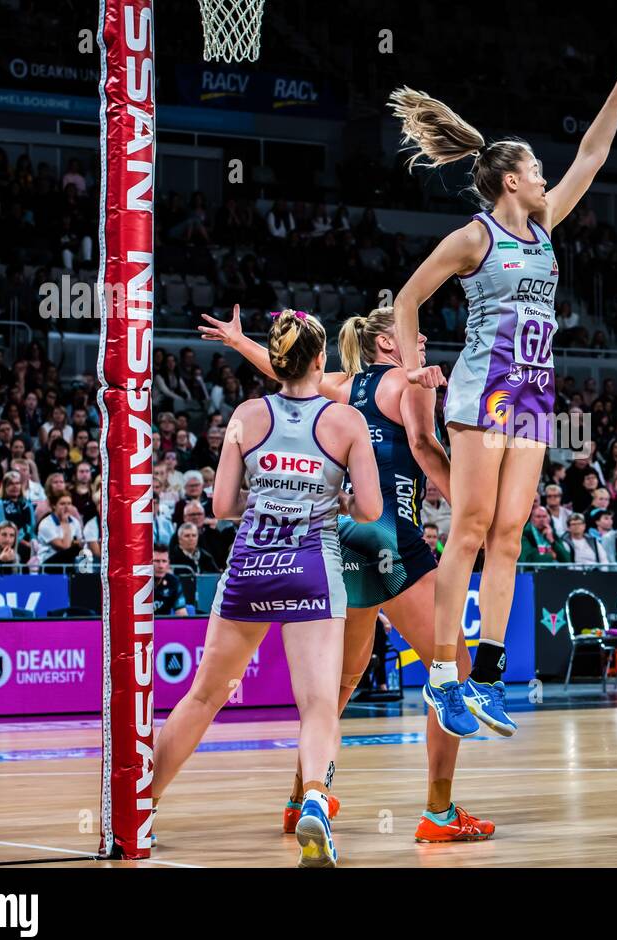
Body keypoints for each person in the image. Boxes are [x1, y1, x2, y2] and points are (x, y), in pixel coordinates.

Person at [387, 26, 617, 738]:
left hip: (532, 395)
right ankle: (442, 674)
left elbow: (593, 154)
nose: (543, 174)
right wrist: (411, 367)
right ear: (508, 180)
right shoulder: (475, 237)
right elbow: (408, 299)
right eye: (533, 168)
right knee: (466, 529)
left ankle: (490, 677)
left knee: (509, 536)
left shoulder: (544, 223)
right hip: (480, 391)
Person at [201, 304, 500, 842]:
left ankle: (302, 798)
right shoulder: (408, 382)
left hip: (345, 535)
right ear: (390, 344)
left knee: (340, 682)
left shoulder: (346, 385)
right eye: (415, 336)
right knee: (451, 664)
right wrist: (474, 511)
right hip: (390, 536)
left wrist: (245, 345)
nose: (424, 342)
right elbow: (425, 446)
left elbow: (289, 371)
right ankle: (439, 812)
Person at [153, 309, 382, 869]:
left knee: (204, 696)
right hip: (311, 569)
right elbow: (373, 511)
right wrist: (337, 497)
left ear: (276, 361)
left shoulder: (247, 416)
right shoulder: (346, 421)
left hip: (250, 568)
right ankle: (312, 804)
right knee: (318, 706)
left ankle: (142, 805)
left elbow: (222, 506)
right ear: (322, 360)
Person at [36, 492, 84, 567]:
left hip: (69, 560)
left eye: (69, 503)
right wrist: (65, 523)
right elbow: (65, 547)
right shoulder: (46, 524)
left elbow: (80, 544)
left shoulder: (75, 522)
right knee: (71, 551)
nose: (67, 507)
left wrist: (75, 544)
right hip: (48, 563)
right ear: (54, 506)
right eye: (62, 504)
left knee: (84, 554)